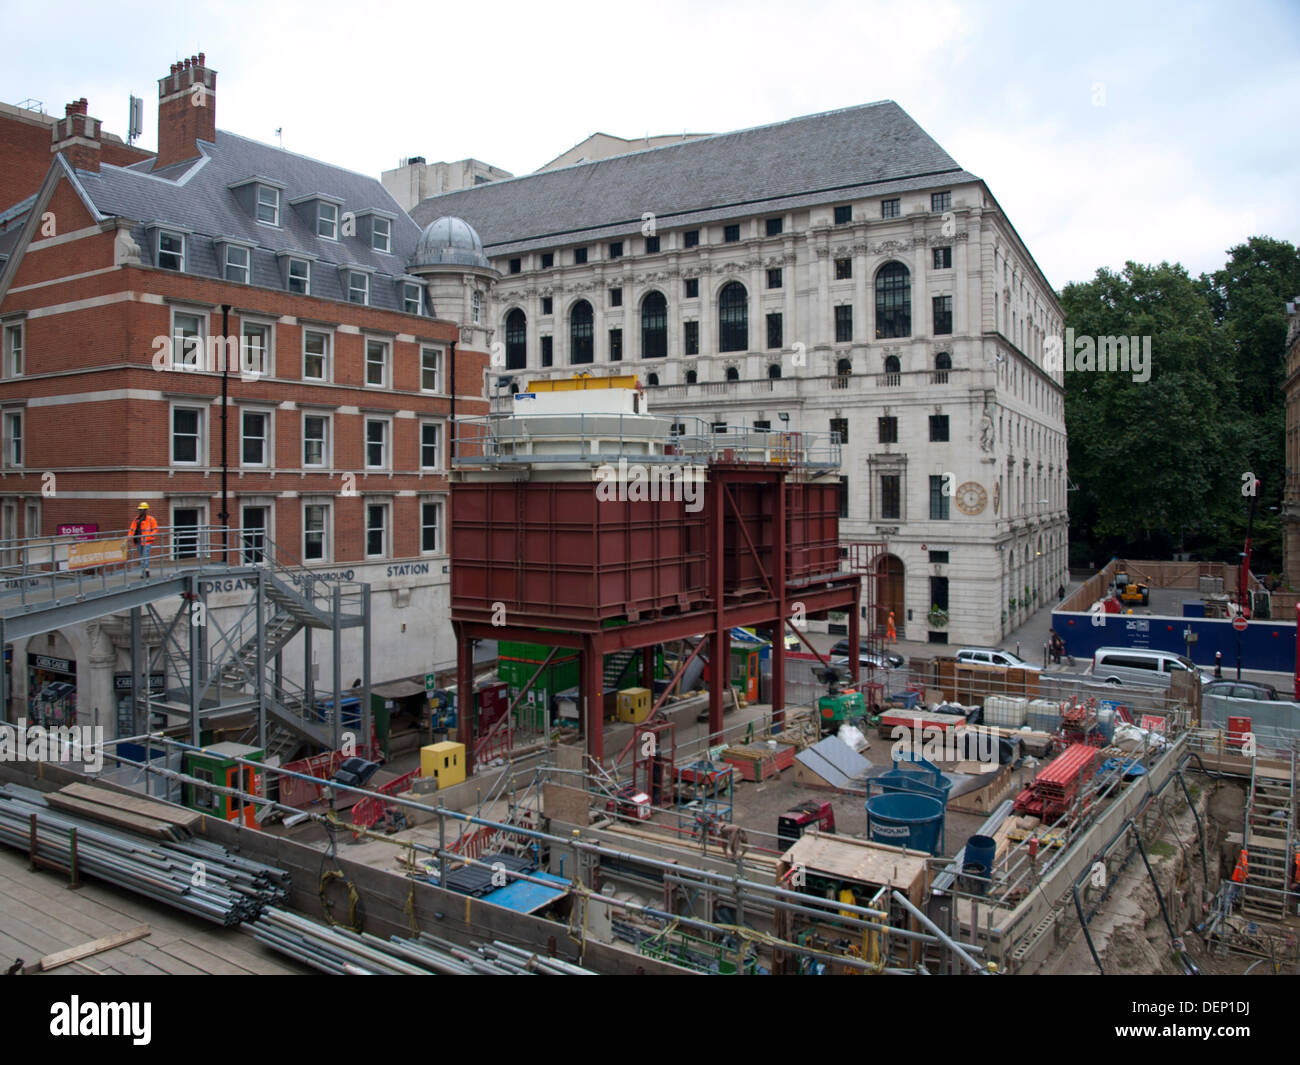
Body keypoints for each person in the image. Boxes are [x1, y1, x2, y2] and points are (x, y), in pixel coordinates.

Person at [129, 502, 158, 577]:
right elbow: (132, 529)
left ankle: (144, 573)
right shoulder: (136, 519)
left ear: (145, 510)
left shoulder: (151, 519)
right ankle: (146, 571)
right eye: (139, 510)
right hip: (138, 541)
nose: (140, 511)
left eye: (141, 510)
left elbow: (155, 530)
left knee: (144, 557)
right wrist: (129, 536)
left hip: (147, 541)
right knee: (142, 557)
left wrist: (149, 536)